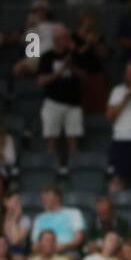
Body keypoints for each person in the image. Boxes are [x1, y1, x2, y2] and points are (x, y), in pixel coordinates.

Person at [37, 26, 83, 172]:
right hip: (53, 102)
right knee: (51, 138)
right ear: (54, 40)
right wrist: (60, 71)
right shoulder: (47, 56)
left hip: (73, 103)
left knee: (73, 138)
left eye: (65, 38)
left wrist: (72, 67)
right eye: (60, 38)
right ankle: (51, 169)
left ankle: (74, 169)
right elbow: (41, 80)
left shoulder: (75, 55)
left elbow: (84, 76)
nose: (64, 41)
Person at [32, 186, 84, 255]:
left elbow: (78, 239)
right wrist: (47, 249)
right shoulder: (39, 218)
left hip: (67, 251)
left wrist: (63, 246)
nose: (44, 199)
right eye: (43, 197)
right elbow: (34, 245)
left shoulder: (74, 213)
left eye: (47, 196)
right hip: (43, 253)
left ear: (57, 197)